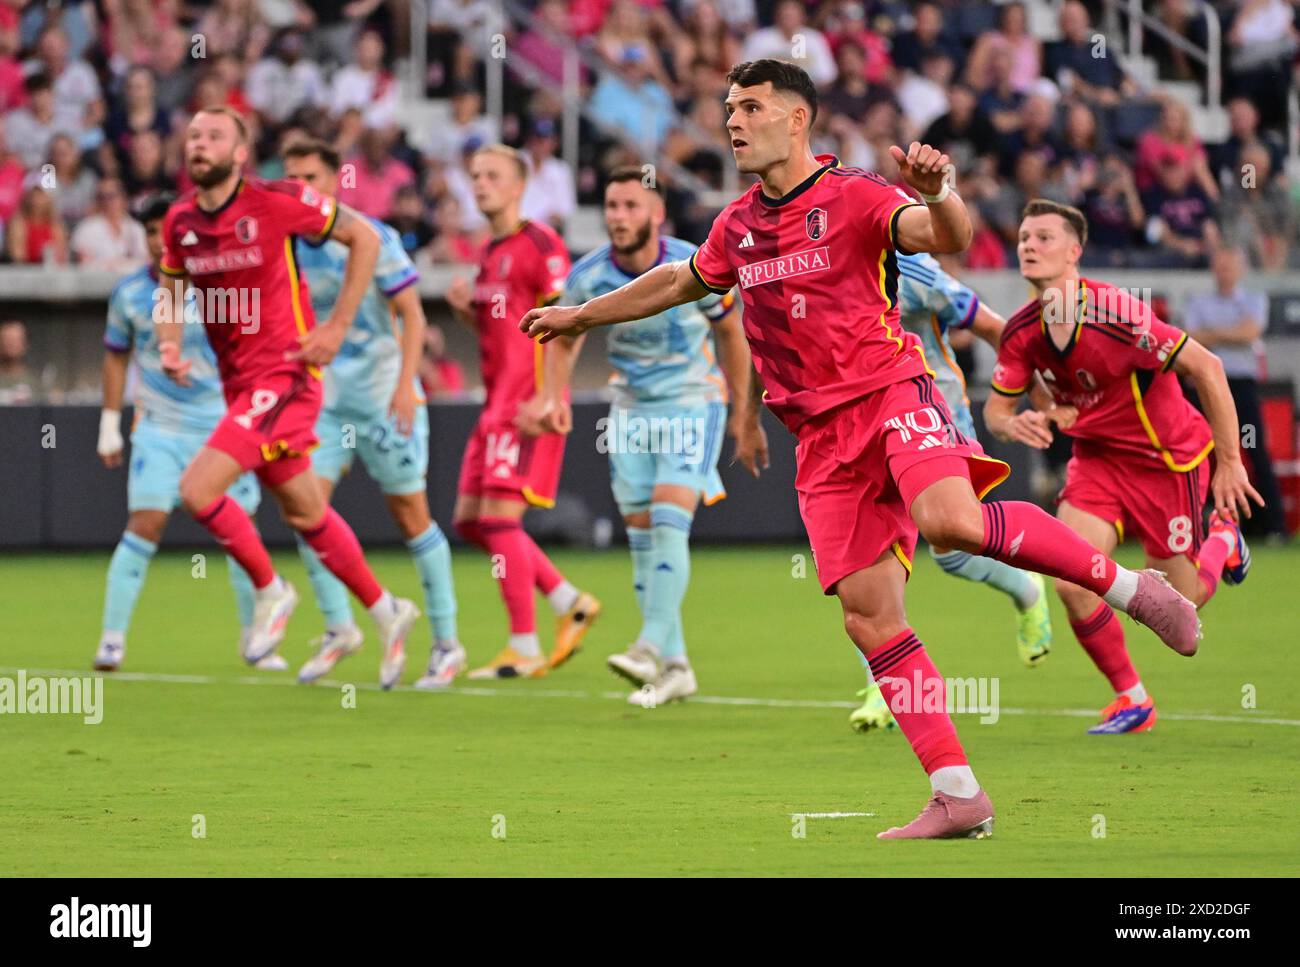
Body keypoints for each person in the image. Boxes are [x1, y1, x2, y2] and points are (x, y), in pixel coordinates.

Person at [521, 60, 1200, 840]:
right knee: (869, 617)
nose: (733, 121)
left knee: (950, 522)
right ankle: (957, 793)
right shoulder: (736, 226)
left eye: (751, 107)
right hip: (819, 440)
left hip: (889, 396)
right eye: (729, 108)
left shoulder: (857, 195)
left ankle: (1133, 590)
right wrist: (582, 316)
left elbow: (946, 236)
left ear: (797, 119)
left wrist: (939, 192)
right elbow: (678, 281)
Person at [156, 106, 419, 688]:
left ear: (239, 153)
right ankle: (384, 610)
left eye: (214, 136)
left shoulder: (277, 200)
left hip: (286, 375)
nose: (200, 143)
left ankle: (271, 589)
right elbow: (171, 285)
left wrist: (336, 327)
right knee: (304, 511)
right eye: (193, 135)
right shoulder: (179, 221)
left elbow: (364, 237)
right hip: (240, 385)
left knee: (197, 489)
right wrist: (169, 342)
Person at [984, 200, 1263, 734]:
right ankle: (1132, 699)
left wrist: (1230, 461)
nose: (1028, 246)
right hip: (1097, 462)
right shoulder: (1020, 331)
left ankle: (1224, 540)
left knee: (1184, 604)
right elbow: (997, 411)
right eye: (1023, 238)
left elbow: (1207, 366)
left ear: (1074, 252)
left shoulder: (1118, 315)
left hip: (1166, 461)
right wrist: (1016, 423)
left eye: (1043, 237)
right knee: (1072, 581)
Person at [522, 166, 767, 705]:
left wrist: (742, 413)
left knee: (668, 519)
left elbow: (731, 330)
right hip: (630, 411)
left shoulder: (692, 264)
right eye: (611, 206)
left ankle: (648, 646)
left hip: (692, 403)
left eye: (631, 206)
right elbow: (564, 334)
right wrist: (554, 396)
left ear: (656, 214)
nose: (618, 217)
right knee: (640, 538)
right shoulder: (589, 275)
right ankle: (677, 666)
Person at [281, 138, 465, 688]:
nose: (301, 189)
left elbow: (412, 314)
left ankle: (447, 644)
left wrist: (407, 385)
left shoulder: (374, 237)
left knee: (412, 518)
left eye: (311, 178)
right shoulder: (286, 242)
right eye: (292, 179)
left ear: (335, 181)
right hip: (324, 401)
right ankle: (340, 627)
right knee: (305, 510)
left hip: (384, 394)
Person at [848, 251, 1055, 733]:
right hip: (861, 423)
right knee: (863, 558)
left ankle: (1027, 589)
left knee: (953, 549)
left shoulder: (912, 269)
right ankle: (883, 686)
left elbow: (994, 328)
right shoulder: (824, 265)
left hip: (932, 415)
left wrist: (1041, 397)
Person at [92, 194, 277, 672]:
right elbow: (115, 357)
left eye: (165, 230)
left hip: (221, 427)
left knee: (240, 531)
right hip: (160, 428)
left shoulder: (223, 286)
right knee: (145, 523)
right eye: (150, 232)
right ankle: (112, 640)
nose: (158, 241)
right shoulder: (129, 294)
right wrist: (110, 423)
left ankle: (257, 641)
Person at [446, 144, 600, 679]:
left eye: (492, 175)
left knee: (497, 520)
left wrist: (551, 395)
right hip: (496, 405)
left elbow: (569, 322)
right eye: (475, 175)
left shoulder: (541, 243)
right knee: (470, 522)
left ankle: (524, 644)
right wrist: (465, 314)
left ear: (519, 185)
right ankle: (567, 600)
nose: (480, 184)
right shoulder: (490, 252)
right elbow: (505, 329)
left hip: (528, 403)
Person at [1181, 247, 1287, 539]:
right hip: (1204, 389)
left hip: (1241, 389)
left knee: (1253, 447)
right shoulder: (1197, 301)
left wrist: (1211, 335)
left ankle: (1273, 525)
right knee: (1194, 451)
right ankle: (1192, 525)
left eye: (1229, 265)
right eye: (1220, 265)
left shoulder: (1254, 299)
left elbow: (1249, 333)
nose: (1224, 271)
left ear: (1241, 269)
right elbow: (1190, 338)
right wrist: (1231, 333)